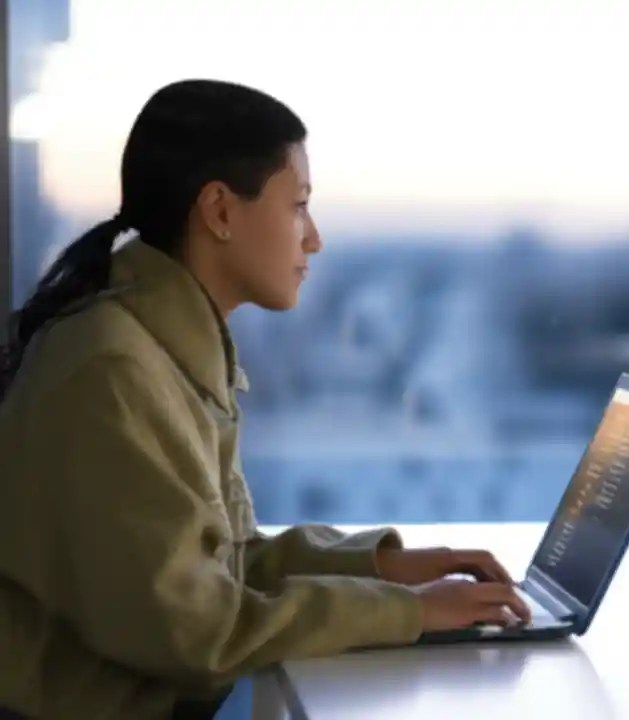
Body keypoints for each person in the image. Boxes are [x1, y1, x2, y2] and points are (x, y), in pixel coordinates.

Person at [0, 79, 531, 720]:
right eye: (298, 205)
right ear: (220, 211)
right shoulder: (113, 371)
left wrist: (389, 568)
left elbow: (230, 563)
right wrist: (410, 613)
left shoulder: (163, 347)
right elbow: (197, 630)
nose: (313, 239)